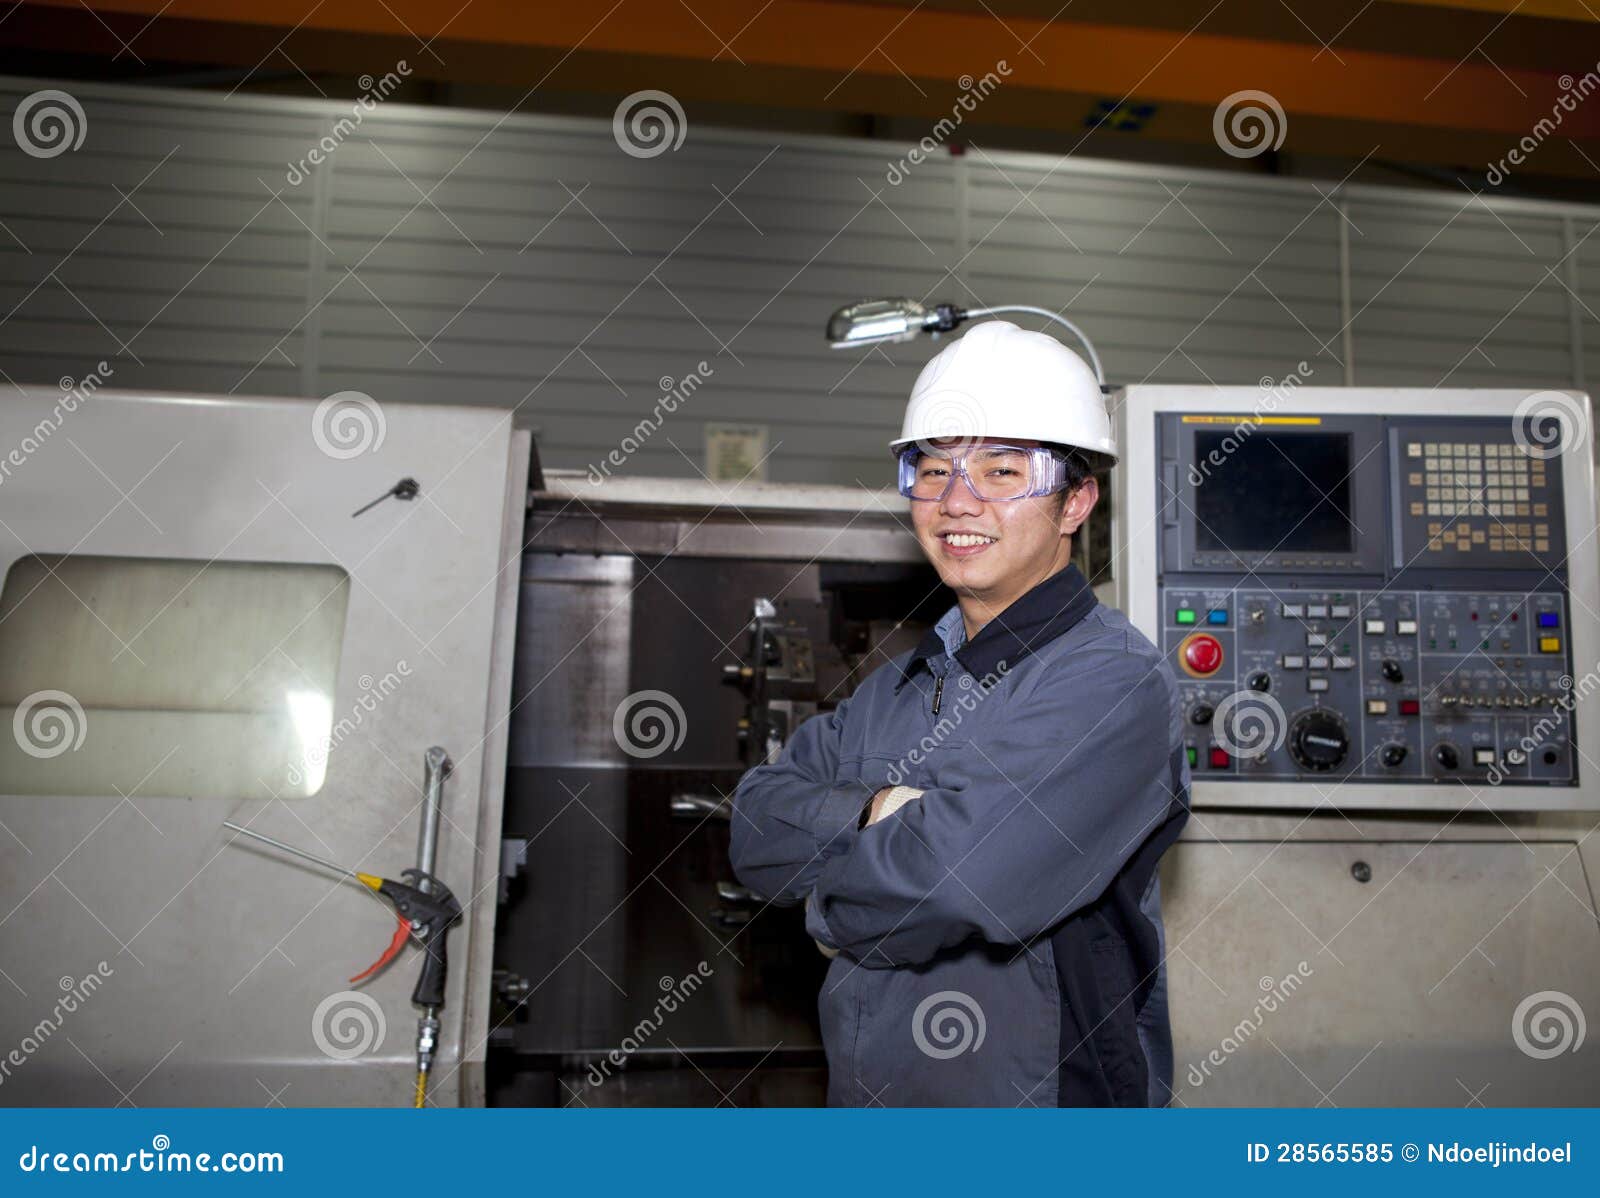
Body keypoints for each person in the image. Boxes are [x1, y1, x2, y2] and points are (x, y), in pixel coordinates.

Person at [729, 320, 1189, 1107]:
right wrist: (881, 812)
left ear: (1076, 500)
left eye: (1003, 472)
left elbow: (955, 882)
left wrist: (828, 909)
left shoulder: (1111, 680)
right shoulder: (900, 685)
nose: (955, 501)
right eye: (933, 468)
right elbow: (755, 827)